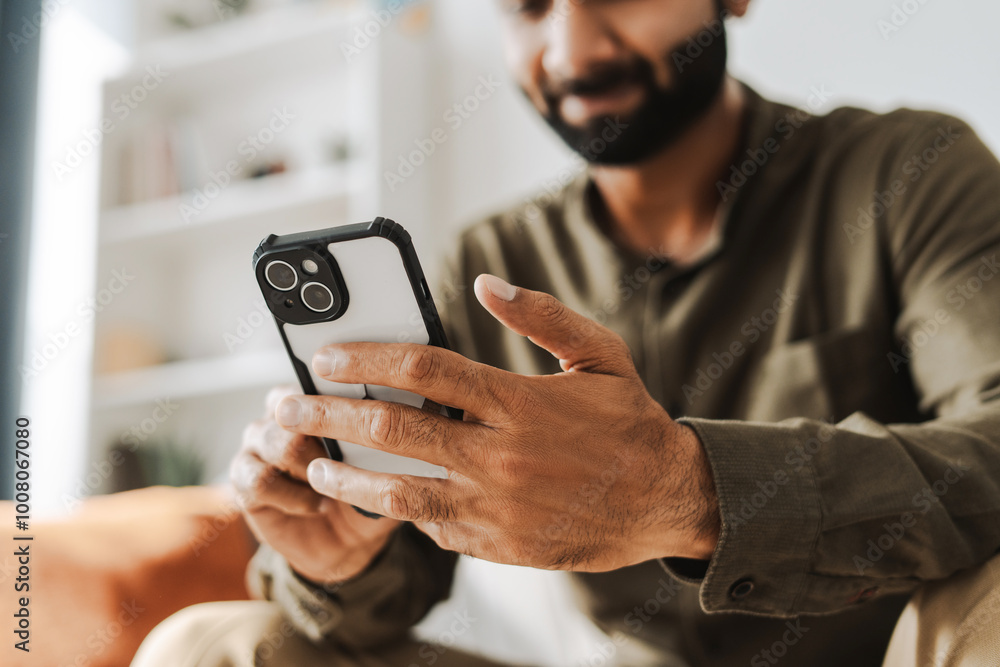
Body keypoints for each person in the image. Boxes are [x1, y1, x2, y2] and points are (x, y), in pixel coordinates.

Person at [132, 0, 1000, 665]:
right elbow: (380, 604)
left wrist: (689, 492)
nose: (574, 50)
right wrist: (340, 563)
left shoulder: (910, 172)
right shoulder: (490, 262)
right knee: (209, 644)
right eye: (528, 5)